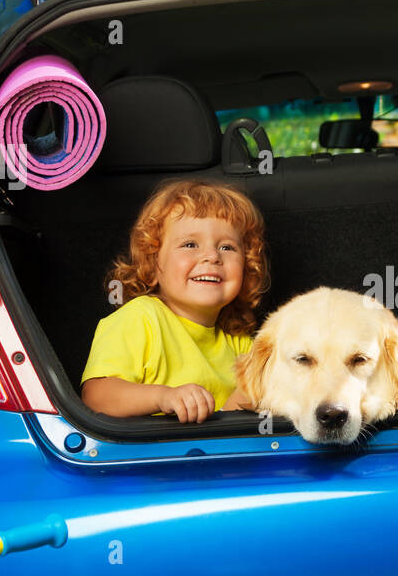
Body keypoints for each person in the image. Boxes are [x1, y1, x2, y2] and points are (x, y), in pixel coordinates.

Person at [80, 180, 269, 422]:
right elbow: (96, 397)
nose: (212, 256)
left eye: (227, 247)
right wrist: (163, 397)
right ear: (153, 264)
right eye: (190, 244)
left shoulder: (239, 340)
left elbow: (232, 413)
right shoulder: (139, 318)